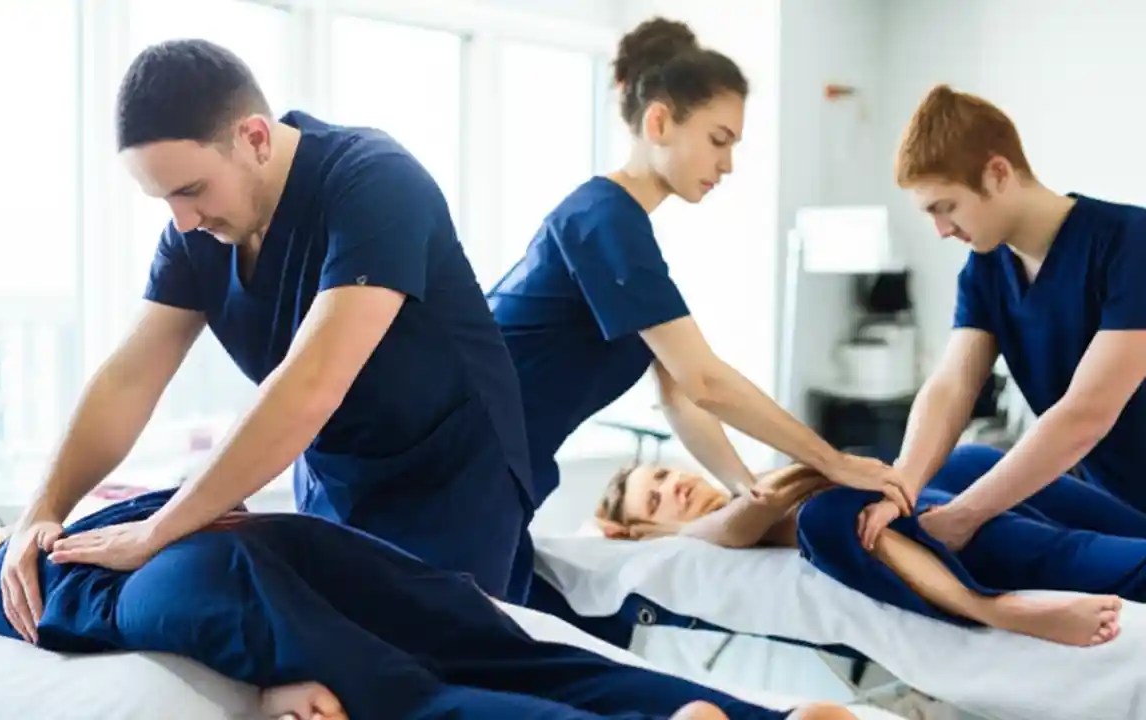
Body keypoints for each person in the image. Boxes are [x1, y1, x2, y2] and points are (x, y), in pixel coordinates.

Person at [0, 38, 539, 645]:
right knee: (328, 663)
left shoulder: (375, 182)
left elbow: (311, 385)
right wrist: (41, 510)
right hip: (336, 476)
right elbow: (129, 378)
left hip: (451, 482)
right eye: (164, 199)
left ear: (255, 137)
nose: (182, 220)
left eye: (191, 190)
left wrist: (158, 530)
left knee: (436, 666)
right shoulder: (195, 235)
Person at [0, 498, 859, 720]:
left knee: (427, 696)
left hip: (235, 554)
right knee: (492, 656)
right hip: (246, 551)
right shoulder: (14, 568)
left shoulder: (10, 559)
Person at [486, 17, 911, 515]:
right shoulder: (603, 220)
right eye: (718, 139)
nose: (728, 164)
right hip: (467, 457)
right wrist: (832, 461)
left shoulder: (620, 228)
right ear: (659, 123)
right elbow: (704, 381)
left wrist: (745, 488)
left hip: (505, 469)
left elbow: (681, 396)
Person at [859, 84, 1146, 552]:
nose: (941, 230)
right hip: (1111, 501)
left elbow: (1087, 414)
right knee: (953, 472)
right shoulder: (987, 269)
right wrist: (900, 487)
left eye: (946, 208)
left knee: (968, 490)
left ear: (997, 174)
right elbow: (952, 385)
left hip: (1133, 505)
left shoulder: (1131, 241)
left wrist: (964, 516)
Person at [595, 444, 1134, 647]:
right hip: (915, 529)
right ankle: (1002, 610)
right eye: (655, 500)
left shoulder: (746, 478)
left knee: (968, 457)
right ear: (647, 532)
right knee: (825, 516)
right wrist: (830, 467)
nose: (673, 487)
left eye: (663, 474)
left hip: (927, 491)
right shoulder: (702, 536)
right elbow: (749, 517)